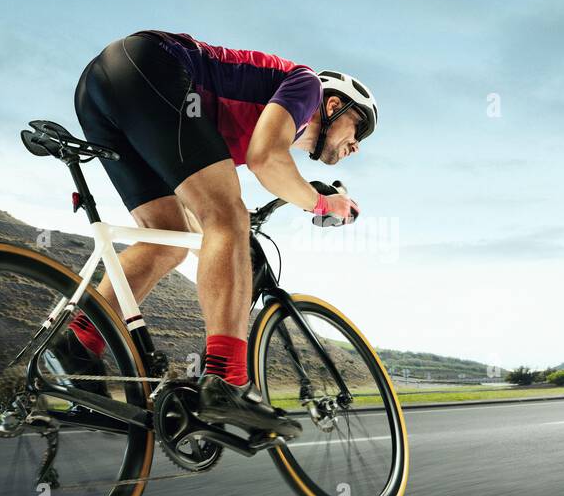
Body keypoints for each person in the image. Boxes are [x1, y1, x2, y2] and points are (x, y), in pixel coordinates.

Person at [47, 30, 377, 437]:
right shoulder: (305, 85)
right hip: (153, 67)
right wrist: (322, 204)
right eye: (358, 129)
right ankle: (226, 381)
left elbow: (215, 174)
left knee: (166, 239)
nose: (356, 146)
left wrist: (231, 230)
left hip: (104, 90)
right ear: (332, 104)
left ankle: (78, 343)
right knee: (227, 216)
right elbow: (266, 160)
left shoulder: (247, 124)